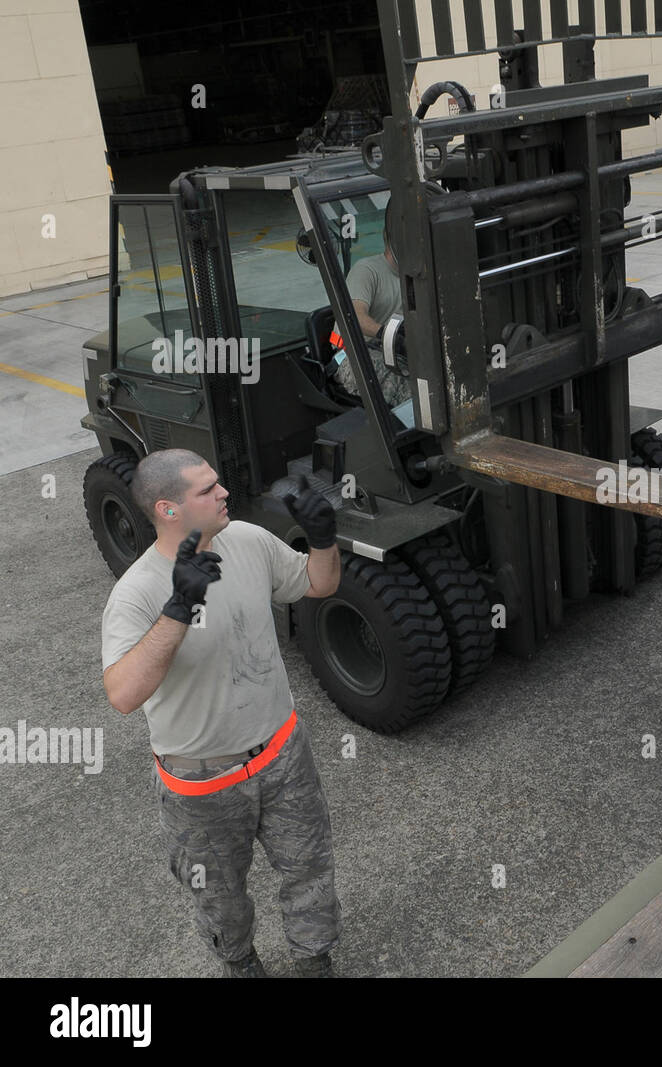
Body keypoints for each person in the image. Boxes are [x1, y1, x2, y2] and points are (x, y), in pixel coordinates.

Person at [101, 448, 343, 978]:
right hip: (202, 786)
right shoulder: (137, 593)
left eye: (218, 483)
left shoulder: (249, 541)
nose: (224, 493)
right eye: (207, 489)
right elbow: (122, 694)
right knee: (221, 899)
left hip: (282, 756)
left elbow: (318, 584)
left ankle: (313, 963)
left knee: (310, 872)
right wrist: (178, 608)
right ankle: (240, 965)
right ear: (169, 510)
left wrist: (324, 540)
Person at [332, 203, 410, 407]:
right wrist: (394, 335)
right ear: (390, 237)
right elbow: (355, 319)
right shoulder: (367, 270)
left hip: (389, 353)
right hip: (353, 357)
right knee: (414, 389)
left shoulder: (415, 276)